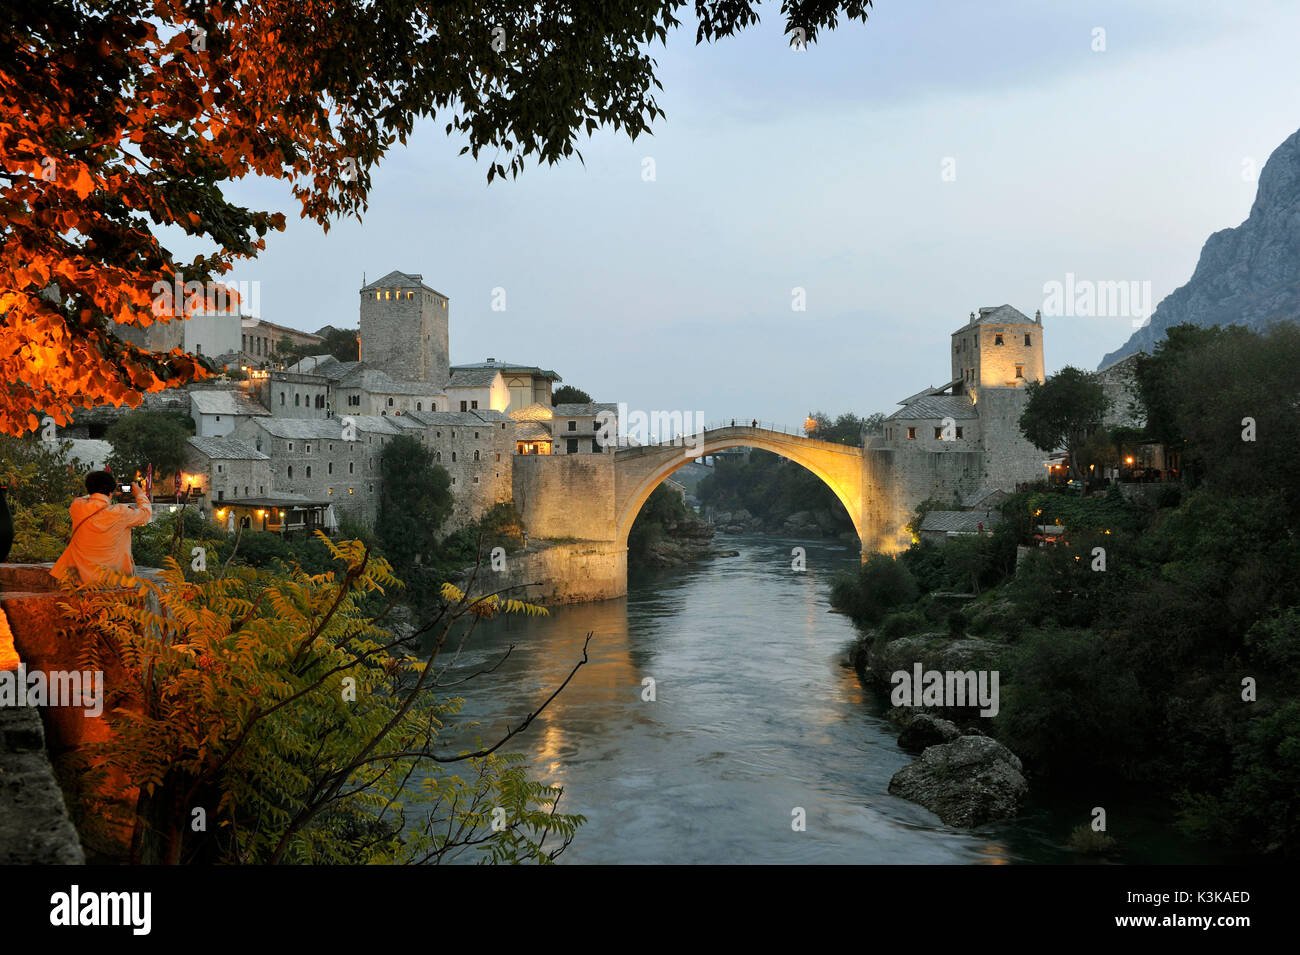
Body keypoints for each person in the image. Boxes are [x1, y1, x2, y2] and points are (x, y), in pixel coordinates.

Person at [50, 471, 152, 585]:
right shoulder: (121, 513)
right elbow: (146, 514)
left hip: (77, 579)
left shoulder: (77, 506)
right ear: (111, 490)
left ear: (88, 488)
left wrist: (100, 489)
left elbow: (89, 497)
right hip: (111, 581)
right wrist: (139, 494)